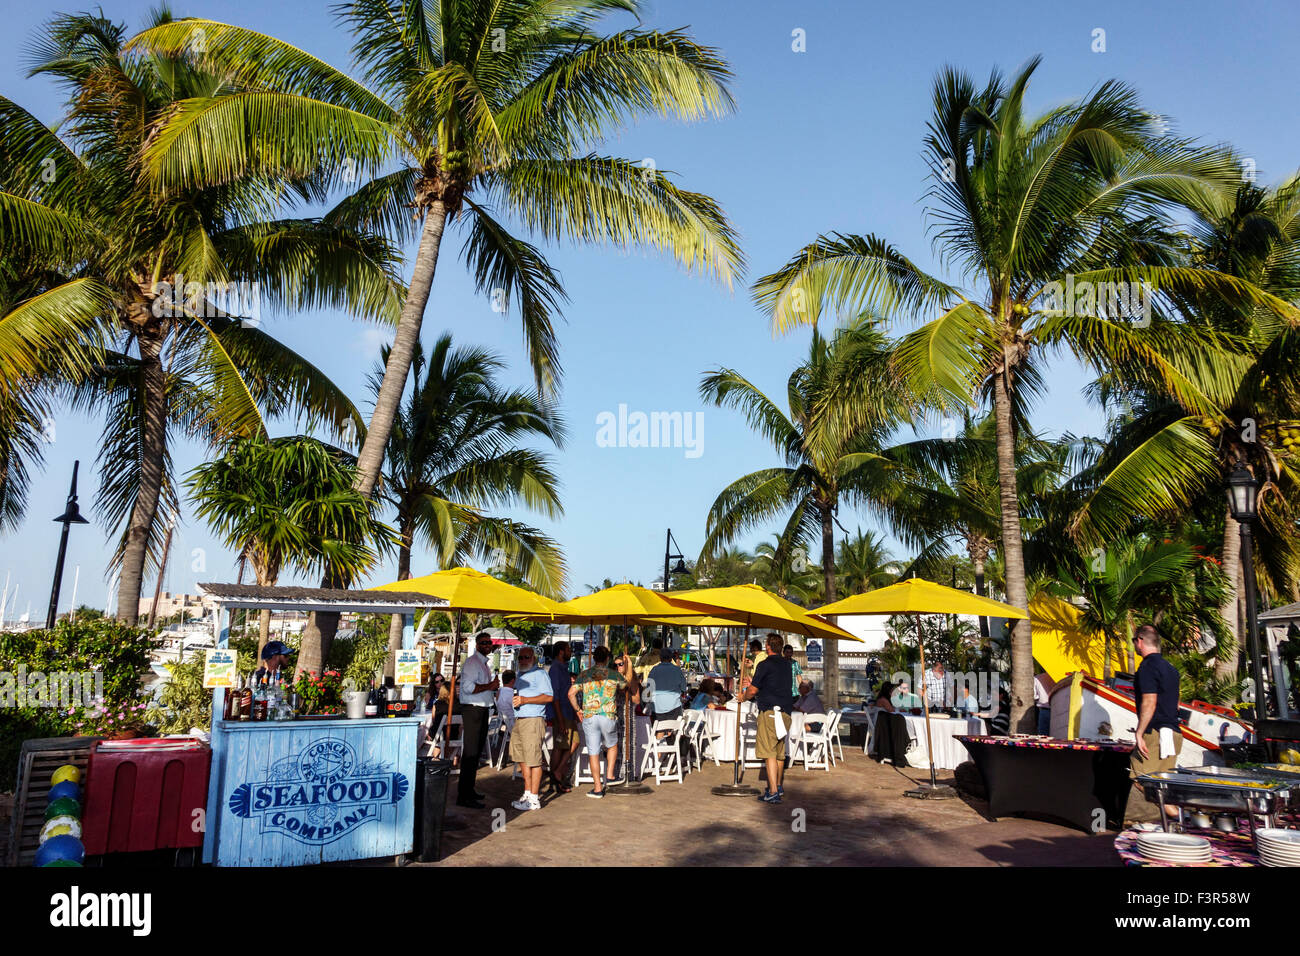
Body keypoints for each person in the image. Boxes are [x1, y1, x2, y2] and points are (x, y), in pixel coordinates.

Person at [1129, 624, 1183, 823]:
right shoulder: (1171, 668)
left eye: (1134, 641)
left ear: (1140, 641)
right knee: (1160, 783)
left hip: (1157, 733)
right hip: (1173, 733)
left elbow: (1150, 701)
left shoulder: (1147, 667)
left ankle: (1181, 817)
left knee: (1141, 779)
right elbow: (1176, 704)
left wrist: (1139, 732)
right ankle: (1178, 818)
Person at [735, 633, 795, 804]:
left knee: (769, 751)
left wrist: (743, 697)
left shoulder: (764, 664)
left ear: (768, 646)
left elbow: (753, 691)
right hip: (785, 712)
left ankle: (773, 792)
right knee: (779, 751)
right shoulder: (787, 664)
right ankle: (778, 785)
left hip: (770, 712)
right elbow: (773, 684)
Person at [568, 645, 629, 799]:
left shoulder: (584, 674)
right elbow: (625, 686)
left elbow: (571, 693)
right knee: (612, 745)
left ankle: (597, 788)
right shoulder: (613, 674)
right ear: (608, 658)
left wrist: (577, 710)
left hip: (589, 716)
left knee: (593, 752)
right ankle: (610, 776)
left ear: (594, 658)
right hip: (608, 715)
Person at [455, 632, 499, 809]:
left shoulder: (483, 663)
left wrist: (491, 688)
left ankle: (469, 790)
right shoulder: (473, 663)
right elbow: (467, 687)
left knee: (476, 752)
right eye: (484, 642)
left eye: (489, 642)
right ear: (477, 645)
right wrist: (490, 686)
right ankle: (463, 795)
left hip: (481, 708)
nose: (488, 645)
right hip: (473, 709)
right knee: (471, 753)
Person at [510, 646, 553, 811]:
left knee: (534, 759)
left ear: (533, 659)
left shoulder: (540, 674)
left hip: (533, 720)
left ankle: (534, 798)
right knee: (522, 757)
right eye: (520, 658)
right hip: (521, 719)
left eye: (526, 657)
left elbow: (549, 696)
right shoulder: (521, 674)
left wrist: (525, 700)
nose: (522, 661)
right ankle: (527, 793)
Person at [547, 642, 578, 794]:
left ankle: (557, 772)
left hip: (568, 712)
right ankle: (555, 779)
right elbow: (555, 697)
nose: (570, 652)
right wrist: (559, 720)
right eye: (568, 650)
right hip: (562, 713)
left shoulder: (563, 668)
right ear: (561, 652)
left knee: (573, 742)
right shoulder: (555, 669)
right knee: (560, 746)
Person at [648, 649, 689, 724]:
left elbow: (649, 687)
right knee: (673, 730)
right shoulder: (677, 670)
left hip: (657, 706)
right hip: (674, 706)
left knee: (659, 730)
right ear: (671, 658)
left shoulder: (654, 670)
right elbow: (683, 687)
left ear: (660, 658)